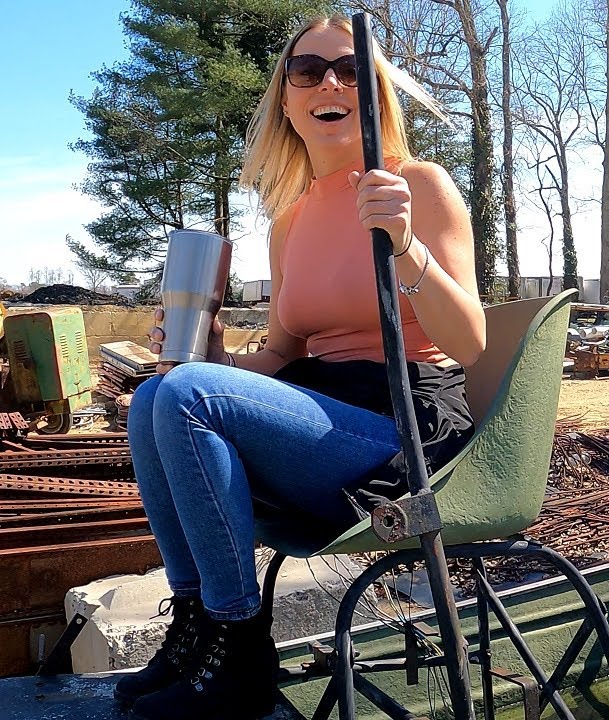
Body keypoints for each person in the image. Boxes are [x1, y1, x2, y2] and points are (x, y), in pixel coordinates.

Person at [116, 15, 485, 720]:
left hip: (405, 427)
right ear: (286, 99)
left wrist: (405, 243)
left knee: (186, 394)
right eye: (307, 70)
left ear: (375, 93)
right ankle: (200, 629)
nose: (329, 82)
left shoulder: (419, 186)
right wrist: (218, 356)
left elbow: (468, 344)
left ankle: (241, 648)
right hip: (321, 413)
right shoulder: (291, 219)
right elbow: (282, 354)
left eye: (350, 69)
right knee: (156, 394)